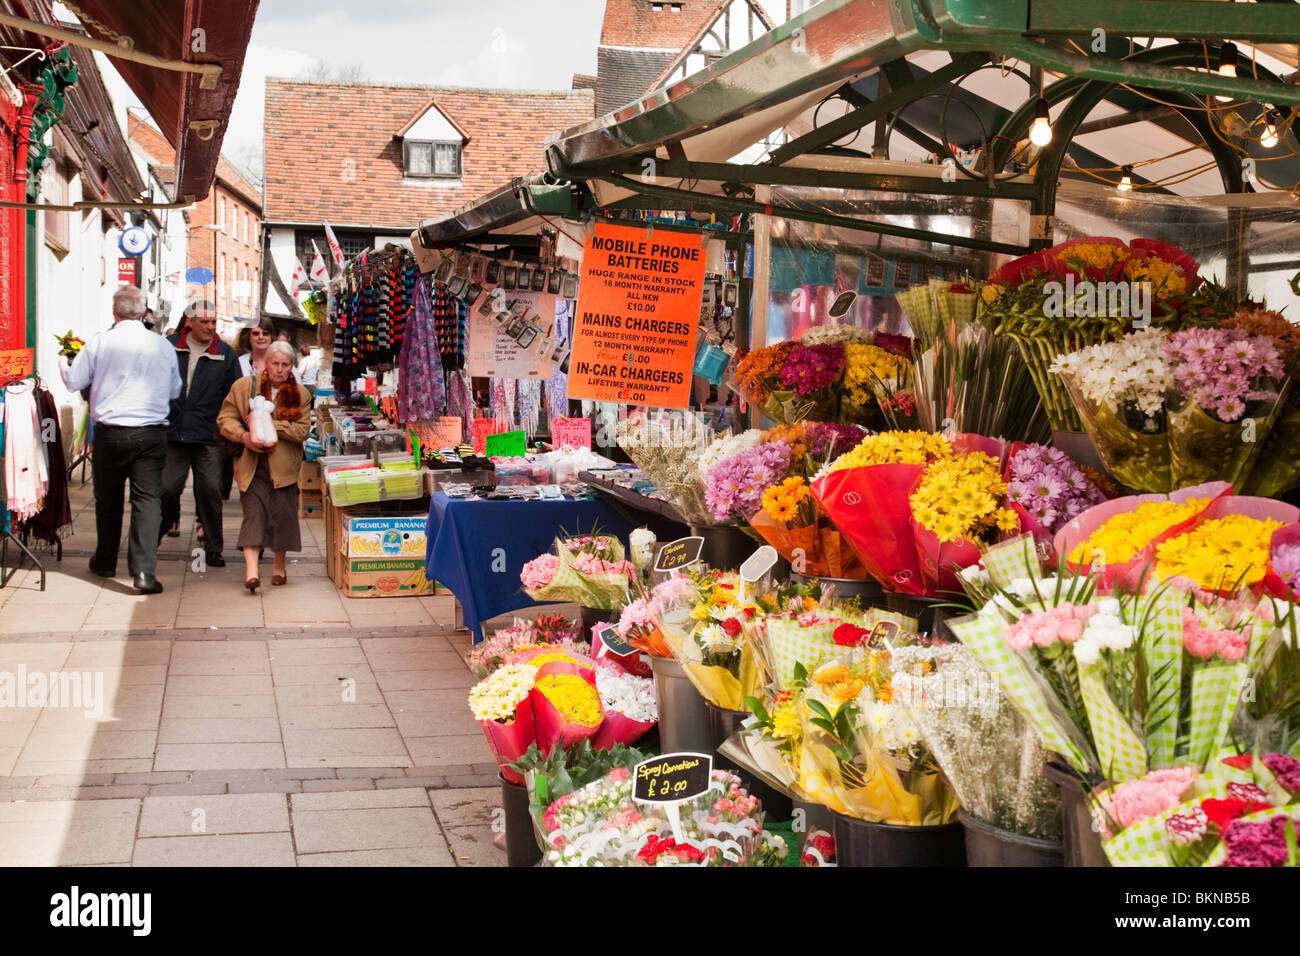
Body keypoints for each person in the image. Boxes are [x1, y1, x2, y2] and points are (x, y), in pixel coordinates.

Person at [61, 285, 181, 593]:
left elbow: (75, 382)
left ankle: (105, 561)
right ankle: (143, 573)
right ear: (143, 313)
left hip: (110, 433)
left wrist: (63, 361)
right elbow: (174, 391)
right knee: (147, 500)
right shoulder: (162, 346)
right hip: (151, 432)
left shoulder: (100, 342)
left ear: (115, 311)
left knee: (108, 499)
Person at [217, 341, 312, 592]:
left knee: (282, 516)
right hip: (252, 463)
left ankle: (279, 566)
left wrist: (272, 424)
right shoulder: (244, 387)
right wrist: (244, 435)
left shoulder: (300, 395)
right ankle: (251, 571)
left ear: (292, 367)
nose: (280, 369)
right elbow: (225, 419)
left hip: (284, 467)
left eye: (285, 364)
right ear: (265, 364)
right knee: (254, 515)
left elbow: (302, 430)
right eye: (275, 364)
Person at [160, 299, 243, 568]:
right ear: (189, 322)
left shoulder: (225, 354)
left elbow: (236, 394)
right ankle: (162, 527)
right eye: (204, 322)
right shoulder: (169, 347)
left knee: (209, 490)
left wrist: (231, 427)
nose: (210, 327)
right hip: (174, 433)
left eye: (213, 322)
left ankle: (213, 547)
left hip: (209, 435)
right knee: (167, 488)